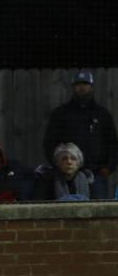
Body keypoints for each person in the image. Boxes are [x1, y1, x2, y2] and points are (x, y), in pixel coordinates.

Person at [42, 71, 118, 199]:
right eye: (78, 84)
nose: (82, 87)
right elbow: (49, 143)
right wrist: (58, 164)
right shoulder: (61, 114)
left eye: (85, 84)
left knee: (97, 213)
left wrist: (109, 167)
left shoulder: (102, 114)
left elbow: (112, 143)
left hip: (96, 175)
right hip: (67, 175)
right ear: (73, 87)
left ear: (92, 87)